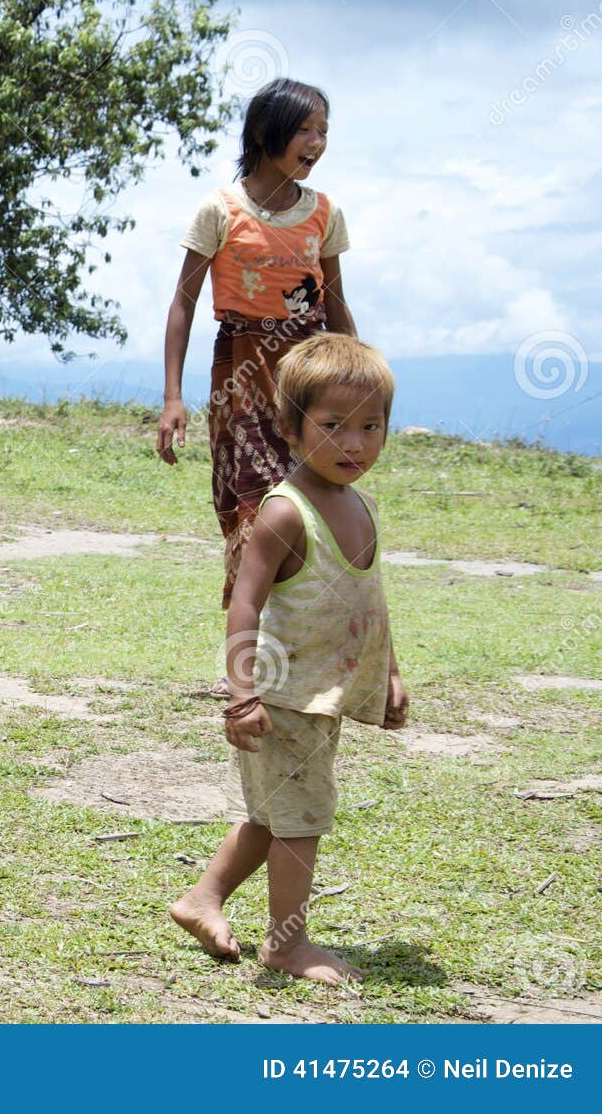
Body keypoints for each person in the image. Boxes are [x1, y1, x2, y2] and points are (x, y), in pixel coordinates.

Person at [169, 333, 408, 985]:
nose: (354, 443)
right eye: (333, 426)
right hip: (283, 700)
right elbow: (243, 607)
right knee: (301, 821)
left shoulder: (363, 506)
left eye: (370, 426)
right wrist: (240, 694)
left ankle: (201, 899)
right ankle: (287, 946)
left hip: (322, 695)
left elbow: (373, 601)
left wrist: (388, 672)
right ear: (292, 429)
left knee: (274, 816)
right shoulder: (285, 511)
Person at [155, 78, 357, 694]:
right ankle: (249, 667)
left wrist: (361, 381)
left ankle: (299, 653)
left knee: (310, 510)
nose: (317, 143)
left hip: (310, 374)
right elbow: (184, 303)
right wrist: (172, 397)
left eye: (324, 132)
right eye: (305, 130)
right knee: (248, 509)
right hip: (239, 375)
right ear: (266, 133)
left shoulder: (324, 213)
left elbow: (337, 304)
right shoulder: (220, 210)